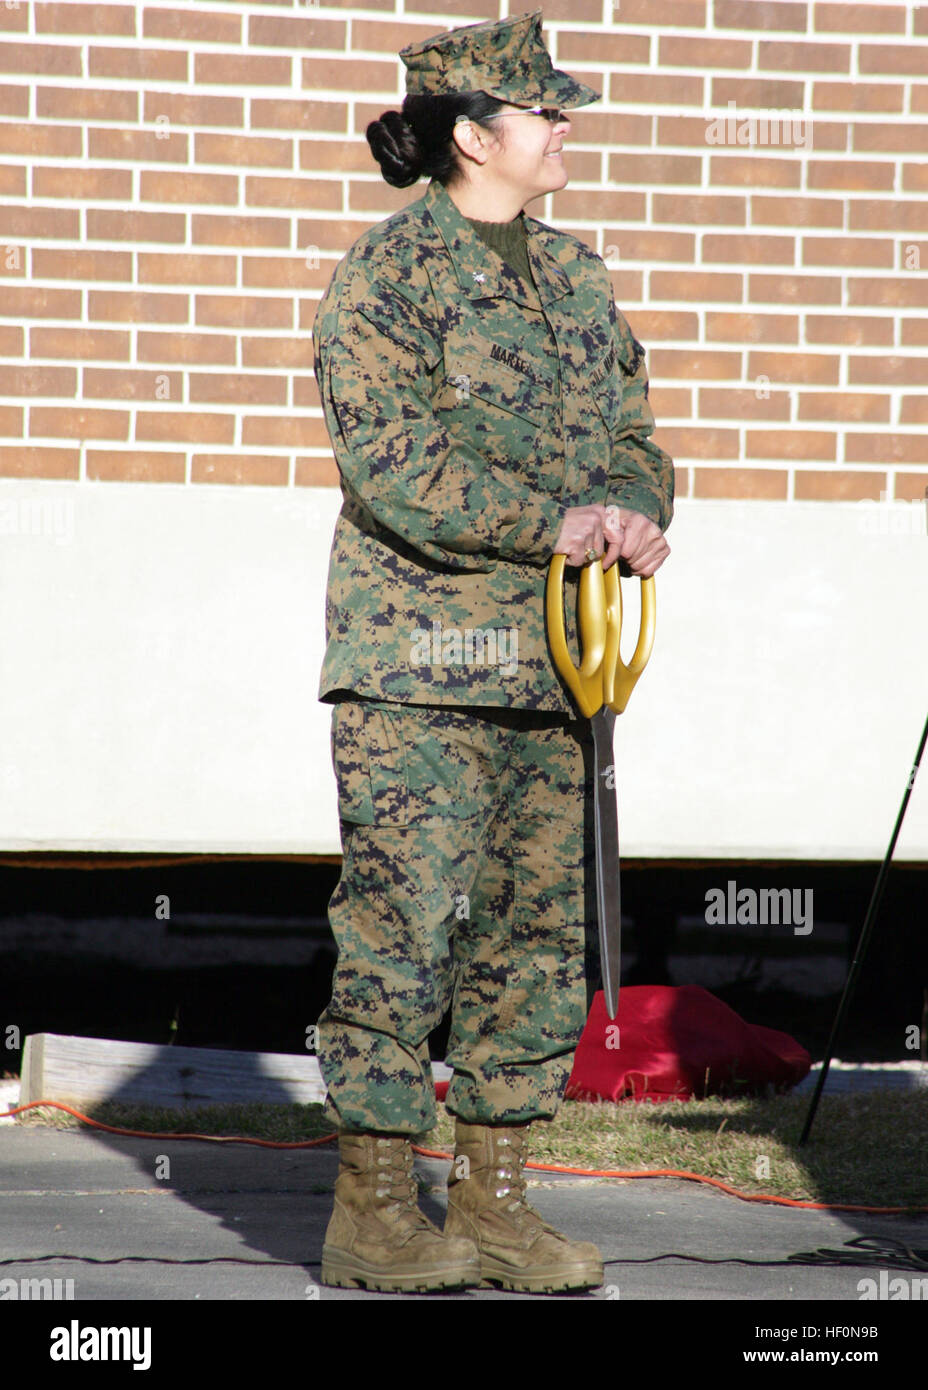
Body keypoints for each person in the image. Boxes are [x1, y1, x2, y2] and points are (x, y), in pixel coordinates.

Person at [312, 10, 673, 1295]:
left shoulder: (575, 275)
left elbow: (636, 431)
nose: (565, 128)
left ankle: (498, 1199)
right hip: (420, 665)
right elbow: (395, 466)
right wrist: (553, 522)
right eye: (545, 113)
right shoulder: (387, 278)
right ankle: (373, 1209)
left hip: (554, 668)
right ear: (472, 136)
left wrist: (634, 507)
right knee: (403, 932)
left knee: (532, 941)